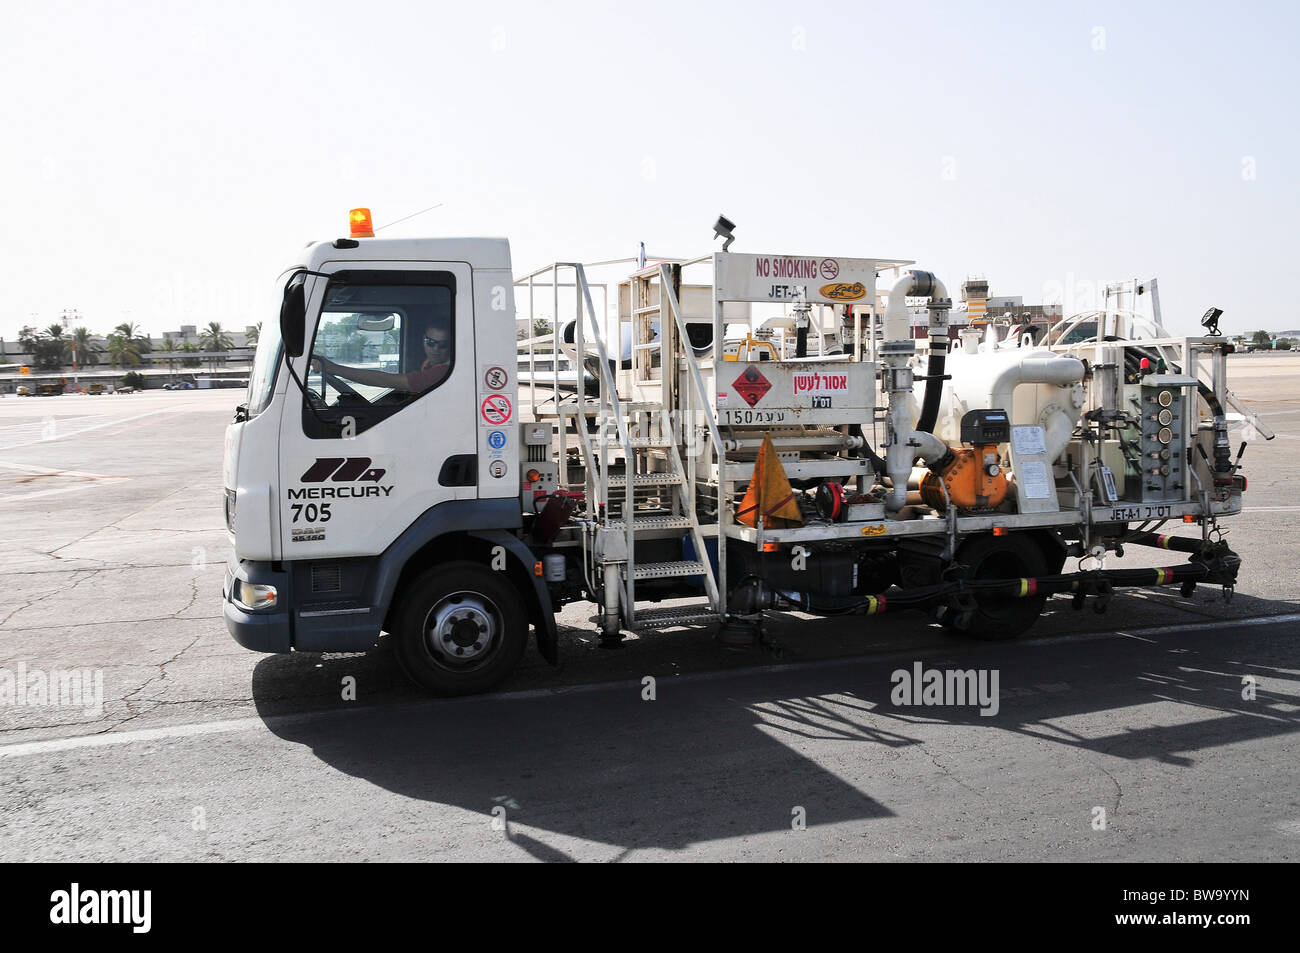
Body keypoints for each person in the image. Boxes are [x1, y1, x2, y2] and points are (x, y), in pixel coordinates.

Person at [312, 321, 450, 393]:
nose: (435, 349)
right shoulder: (428, 364)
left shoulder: (442, 372)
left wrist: (332, 367)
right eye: (431, 342)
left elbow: (385, 380)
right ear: (423, 340)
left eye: (443, 344)